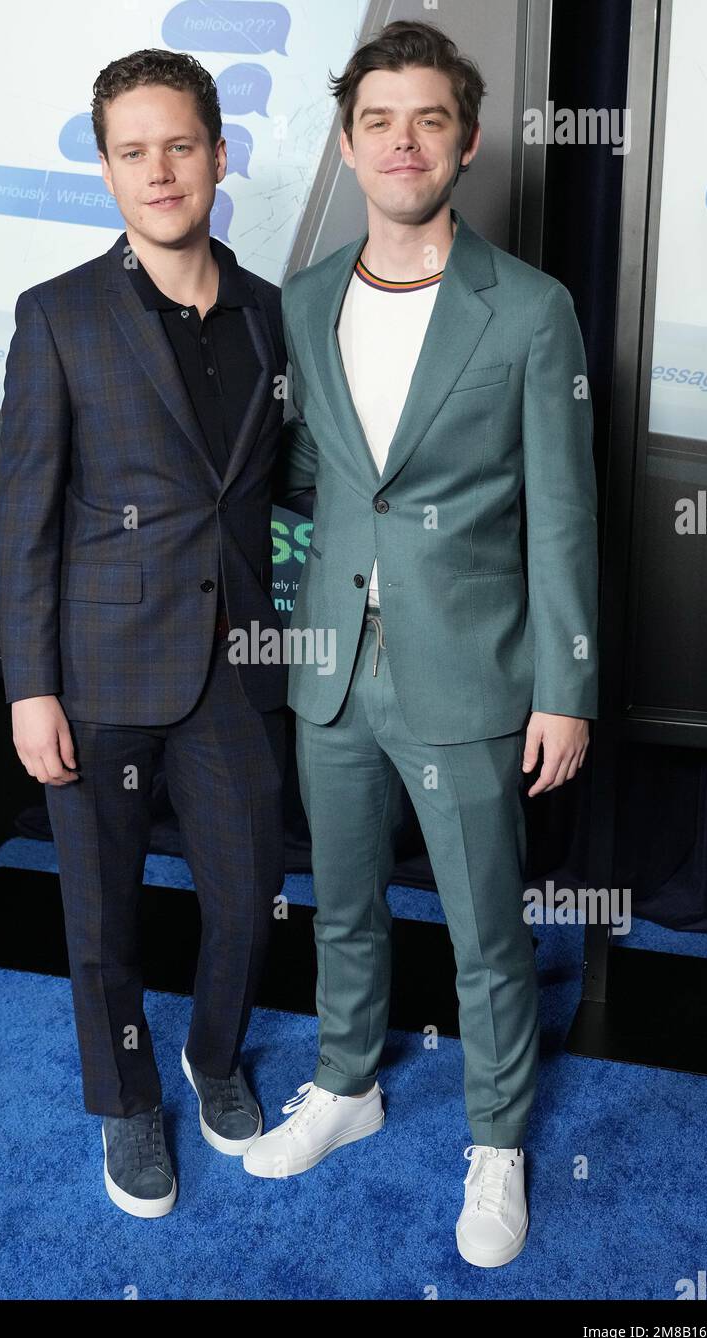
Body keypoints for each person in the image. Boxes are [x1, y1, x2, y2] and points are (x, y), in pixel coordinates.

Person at [252, 20, 599, 1269]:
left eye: (430, 120)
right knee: (340, 904)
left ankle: (497, 1140)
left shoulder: (531, 309)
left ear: (465, 141)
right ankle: (349, 1084)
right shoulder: (299, 302)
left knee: (484, 931)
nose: (405, 142)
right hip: (331, 668)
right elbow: (306, 478)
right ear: (347, 146)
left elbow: (562, 510)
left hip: (470, 673)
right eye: (380, 120)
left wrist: (565, 686)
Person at [0, 49, 288, 1218]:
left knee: (249, 890)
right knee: (102, 914)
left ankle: (210, 1055)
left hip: (239, 668)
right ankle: (125, 1100)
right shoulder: (56, 316)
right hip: (100, 669)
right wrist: (30, 687)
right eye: (133, 151)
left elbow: (288, 483)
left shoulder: (272, 311)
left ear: (220, 154)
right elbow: (24, 516)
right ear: (107, 170)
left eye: (181, 145)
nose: (160, 171)